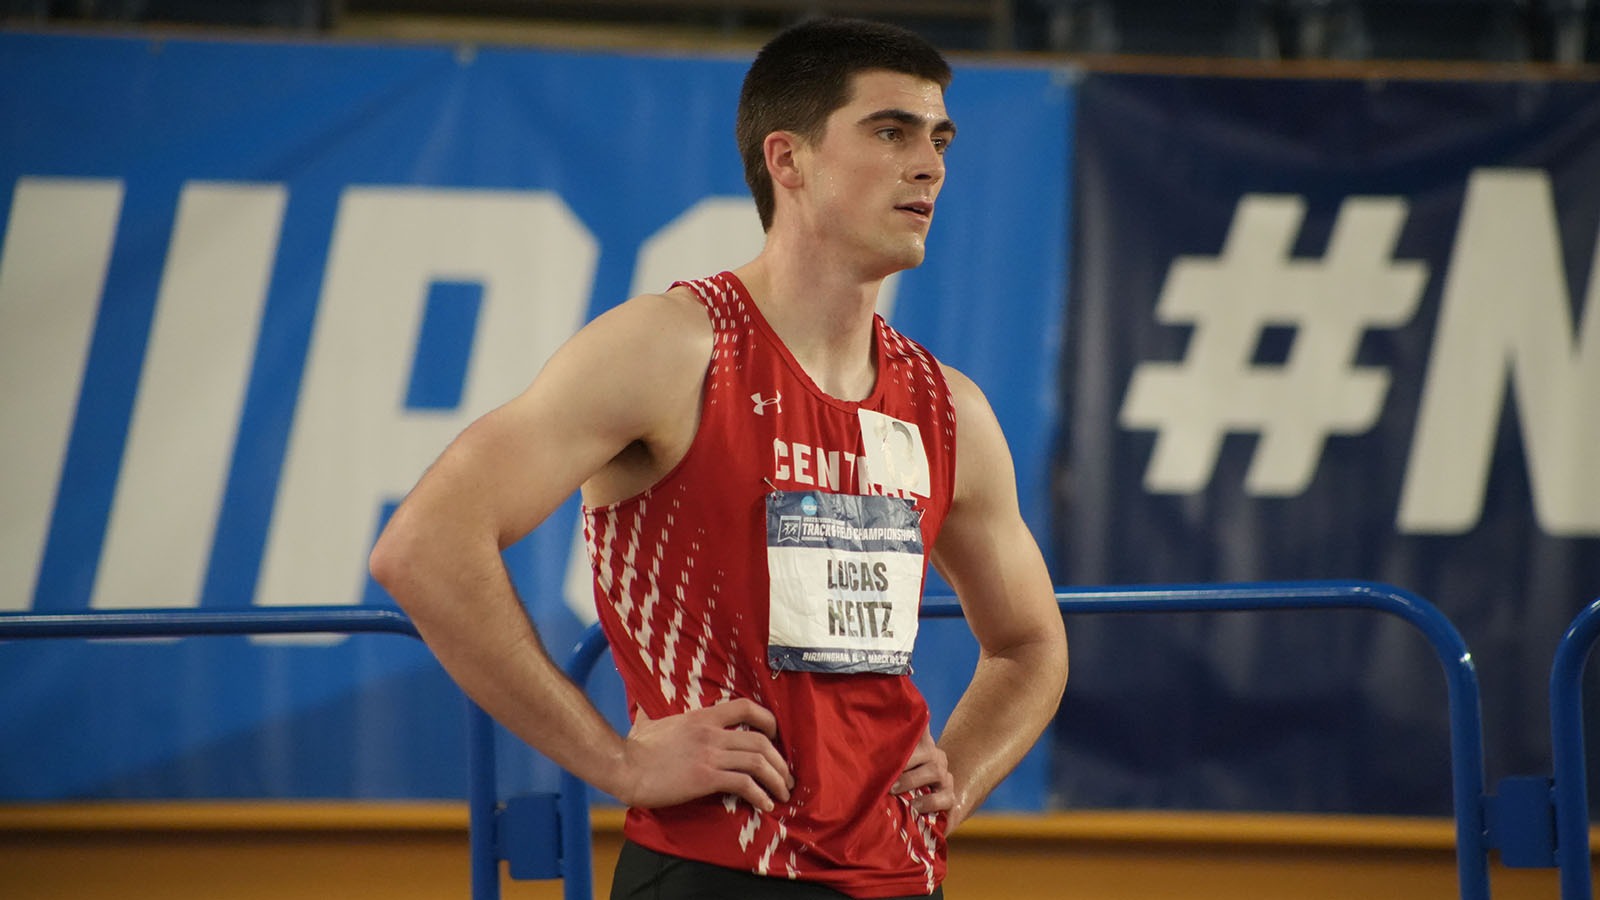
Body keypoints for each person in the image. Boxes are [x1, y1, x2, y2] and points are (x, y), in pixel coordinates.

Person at [369, 16, 1067, 900]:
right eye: (889, 132)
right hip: (715, 869)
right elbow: (425, 546)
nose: (928, 164)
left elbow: (1031, 642)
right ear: (788, 160)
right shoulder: (670, 349)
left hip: (902, 873)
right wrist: (616, 760)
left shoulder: (949, 408)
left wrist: (962, 772)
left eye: (938, 139)